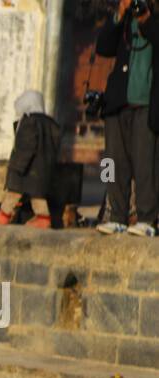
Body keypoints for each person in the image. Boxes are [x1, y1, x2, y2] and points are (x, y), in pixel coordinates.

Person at [95, 0, 159, 235]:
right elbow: (102, 47)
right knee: (111, 162)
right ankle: (116, 214)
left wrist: (148, 21)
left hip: (146, 104)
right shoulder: (123, 22)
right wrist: (119, 15)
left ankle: (147, 218)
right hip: (117, 103)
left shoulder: (153, 20)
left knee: (146, 164)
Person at [0, 90, 60, 228]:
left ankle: (3, 215)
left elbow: (26, 147)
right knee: (38, 195)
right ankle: (43, 218)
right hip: (43, 170)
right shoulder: (50, 124)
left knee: (13, 193)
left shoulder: (29, 122)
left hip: (26, 170)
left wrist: (17, 167)